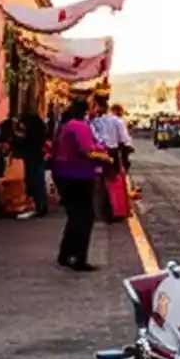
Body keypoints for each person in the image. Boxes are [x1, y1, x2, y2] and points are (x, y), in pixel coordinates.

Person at [51, 99, 111, 271]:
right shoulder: (80, 127)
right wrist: (105, 157)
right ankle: (78, 258)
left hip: (66, 174)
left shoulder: (69, 126)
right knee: (84, 217)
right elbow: (87, 151)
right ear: (88, 110)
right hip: (78, 176)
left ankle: (65, 254)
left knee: (75, 216)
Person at [18, 108, 49, 217]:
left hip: (31, 157)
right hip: (38, 156)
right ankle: (42, 206)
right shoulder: (40, 128)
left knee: (32, 181)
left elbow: (26, 141)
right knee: (39, 182)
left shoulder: (30, 131)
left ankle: (37, 205)